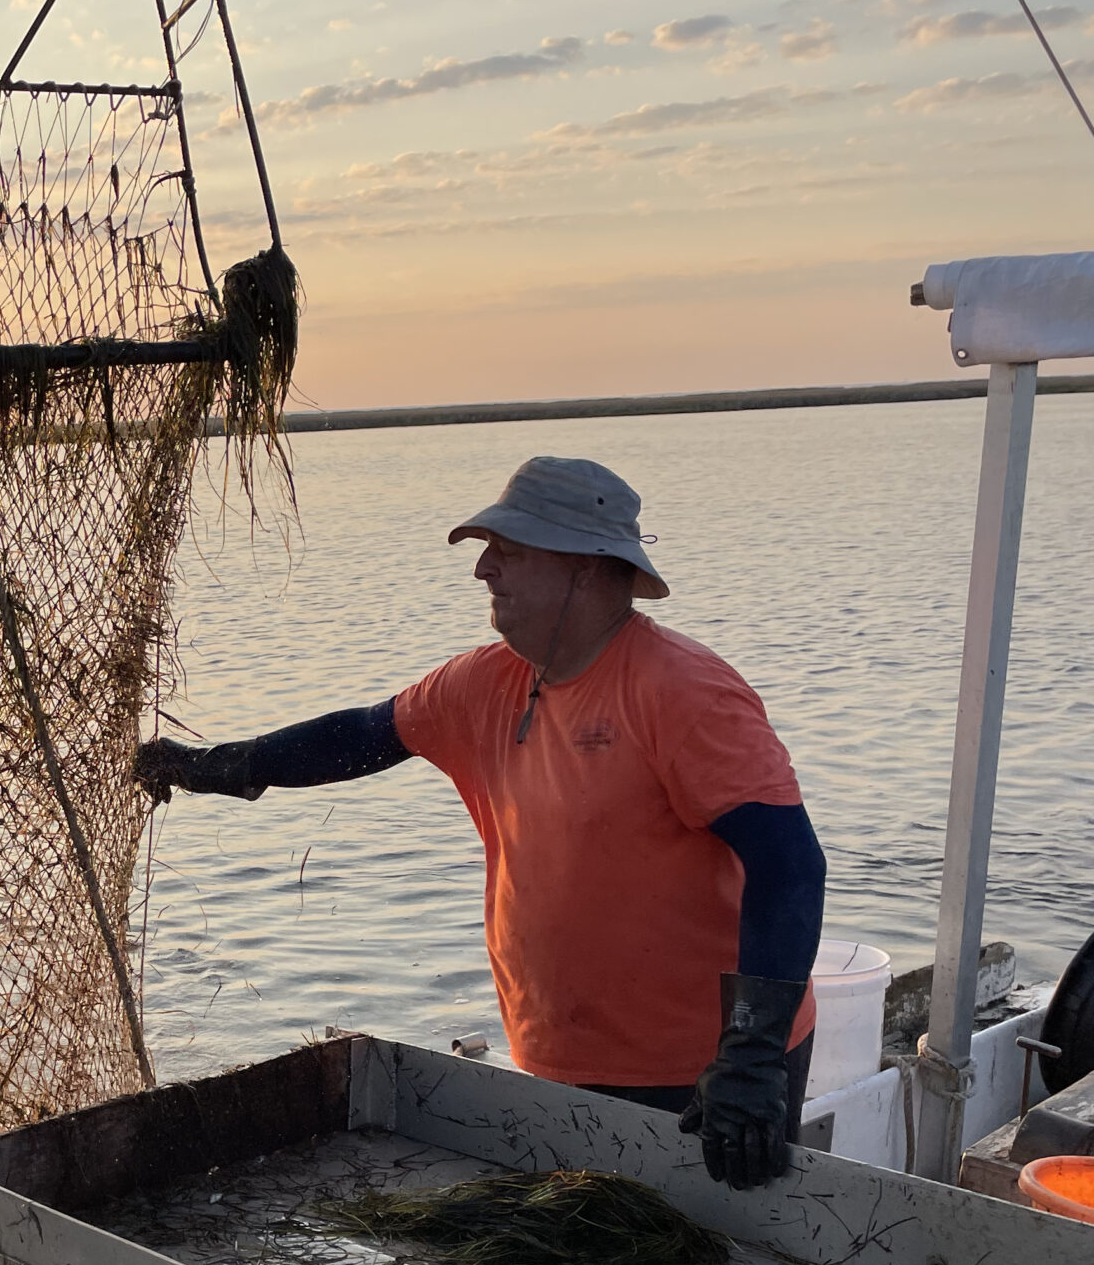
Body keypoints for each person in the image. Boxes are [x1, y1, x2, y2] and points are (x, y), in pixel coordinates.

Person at [135, 454, 827, 1190]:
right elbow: (359, 734)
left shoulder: (682, 691)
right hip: (554, 1061)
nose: (484, 571)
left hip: (706, 1078)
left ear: (586, 569)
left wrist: (750, 1053)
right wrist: (218, 768)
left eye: (510, 551)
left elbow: (789, 865)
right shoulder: (487, 684)